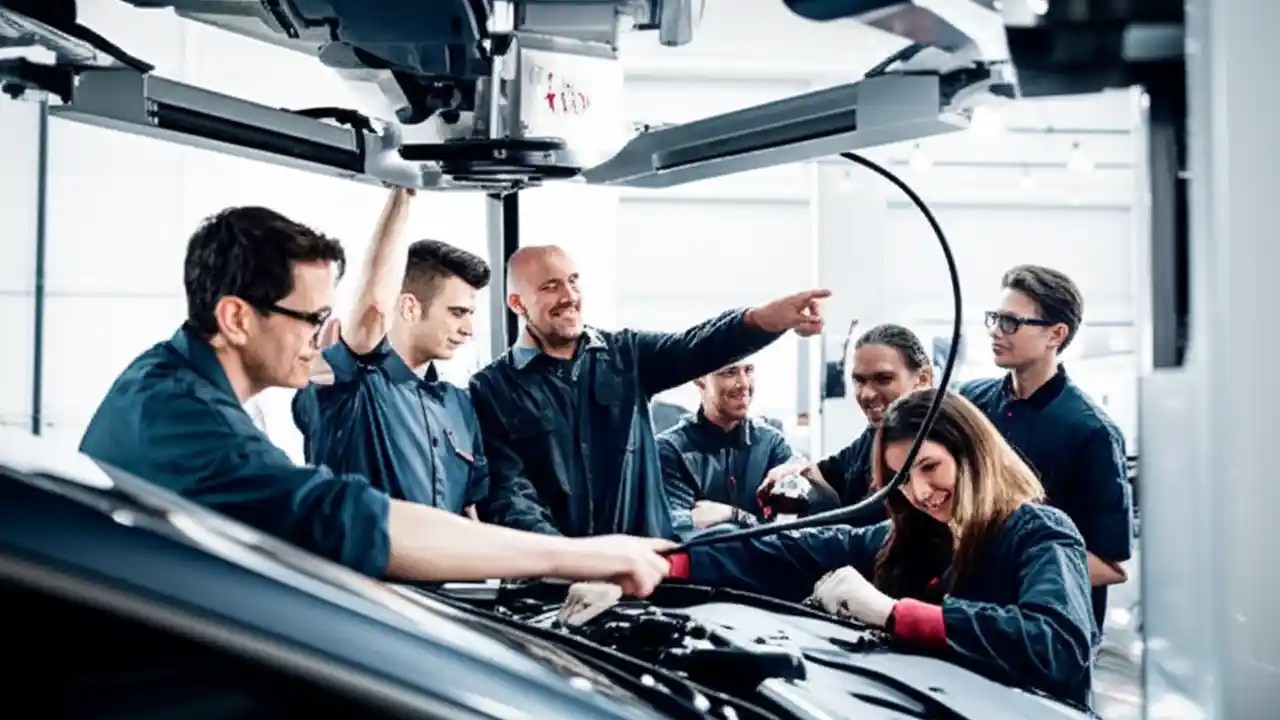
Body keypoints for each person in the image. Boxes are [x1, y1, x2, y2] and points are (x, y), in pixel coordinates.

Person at [78, 191, 675, 596]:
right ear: (236, 318)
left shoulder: (181, 390)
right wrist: (582, 556)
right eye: (310, 319)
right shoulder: (179, 418)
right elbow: (341, 517)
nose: (321, 338)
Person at [657, 389, 1098, 706]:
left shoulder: (1039, 531)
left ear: (973, 453)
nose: (921, 492)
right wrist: (663, 565)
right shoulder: (916, 539)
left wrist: (892, 613)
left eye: (929, 467)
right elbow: (791, 551)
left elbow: (1056, 644)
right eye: (902, 478)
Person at [469, 244, 829, 540]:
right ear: (517, 304)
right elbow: (509, 495)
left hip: (647, 574)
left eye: (574, 281)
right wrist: (566, 563)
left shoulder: (625, 354)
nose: (570, 296)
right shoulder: (492, 389)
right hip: (552, 586)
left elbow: (696, 346)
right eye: (550, 287)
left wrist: (765, 319)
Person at [292, 190, 490, 518]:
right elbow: (373, 309)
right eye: (457, 313)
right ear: (410, 307)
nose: (469, 329)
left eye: (470, 314)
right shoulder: (352, 387)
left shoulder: (459, 405)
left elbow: (470, 513)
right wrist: (403, 193)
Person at [958, 264, 1132, 632]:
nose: (995, 331)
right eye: (994, 319)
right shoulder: (971, 403)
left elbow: (1109, 565)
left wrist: (1006, 570)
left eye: (1010, 322)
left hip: (1045, 634)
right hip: (968, 618)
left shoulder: (1091, 431)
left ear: (1056, 334)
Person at [760, 323, 933, 521]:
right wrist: (796, 469)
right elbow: (828, 475)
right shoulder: (873, 436)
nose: (866, 394)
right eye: (859, 381)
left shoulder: (937, 442)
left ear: (923, 378)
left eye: (884, 379)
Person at [656, 360, 796, 538]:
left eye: (749, 370)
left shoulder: (772, 444)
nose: (744, 384)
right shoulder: (670, 451)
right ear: (699, 378)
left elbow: (789, 532)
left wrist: (734, 515)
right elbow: (676, 532)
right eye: (730, 372)